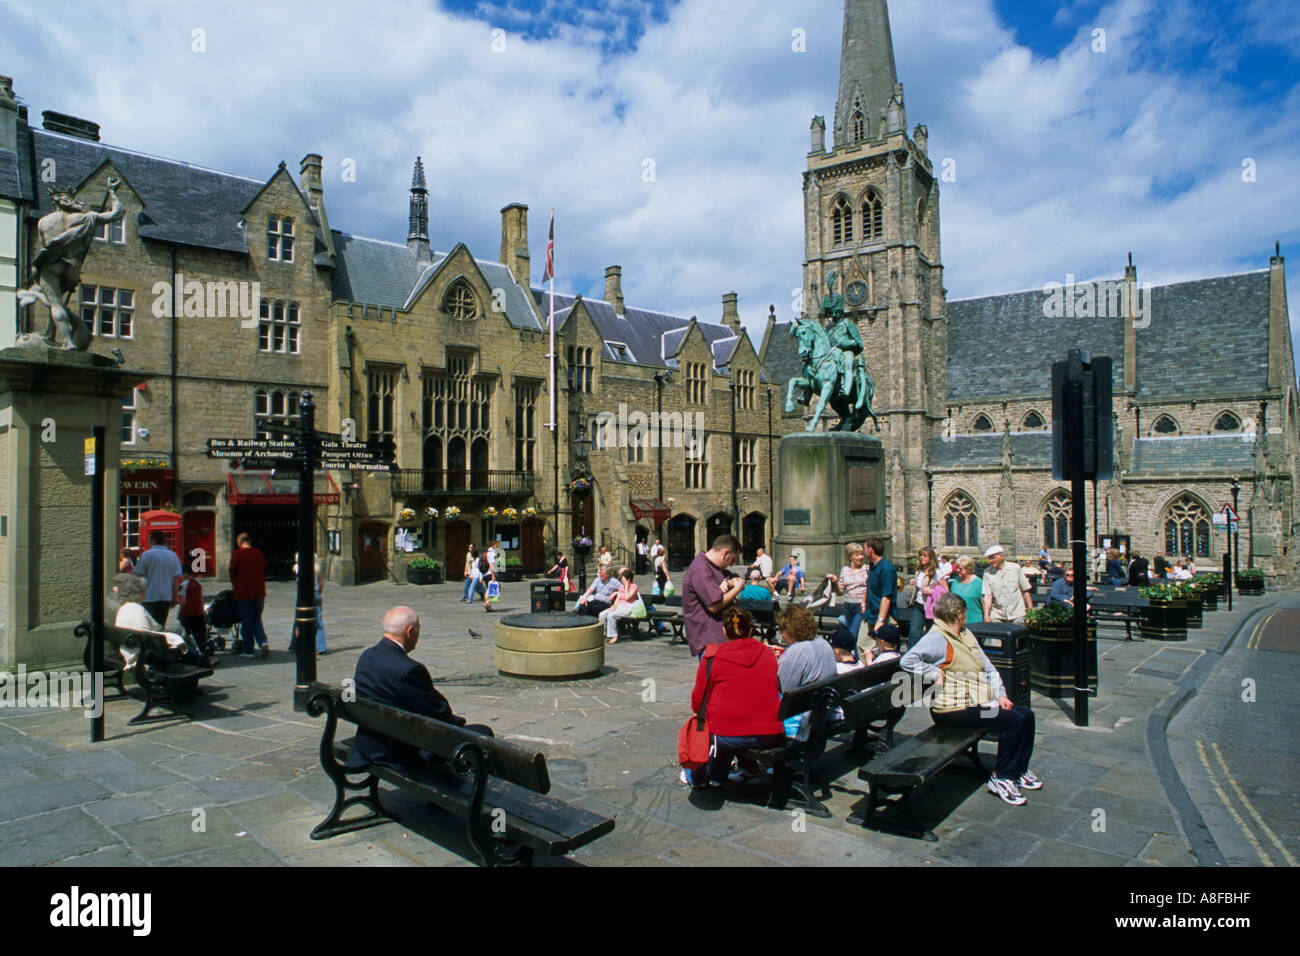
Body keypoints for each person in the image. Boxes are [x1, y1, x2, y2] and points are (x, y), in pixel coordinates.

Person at [901, 593, 1040, 806]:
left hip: (973, 704)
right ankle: (1002, 777)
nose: (965, 617)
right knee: (1013, 720)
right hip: (953, 711)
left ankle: (1018, 769)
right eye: (964, 613)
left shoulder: (965, 634)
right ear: (958, 614)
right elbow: (907, 660)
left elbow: (987, 667)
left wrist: (1000, 694)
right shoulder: (937, 637)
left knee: (1025, 714)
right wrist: (933, 672)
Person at [346, 606, 494, 772]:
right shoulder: (409, 670)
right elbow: (440, 713)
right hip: (398, 752)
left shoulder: (367, 656)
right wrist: (459, 723)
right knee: (483, 732)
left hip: (370, 743)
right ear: (410, 632)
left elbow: (351, 695)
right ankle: (468, 791)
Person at [681, 607, 784, 789]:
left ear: (724, 631)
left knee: (710, 728)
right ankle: (732, 773)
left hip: (728, 733)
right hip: (768, 732)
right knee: (734, 725)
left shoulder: (712, 657)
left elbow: (697, 703)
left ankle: (697, 776)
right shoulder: (767, 653)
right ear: (751, 631)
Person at [114, 575, 214, 670]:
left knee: (179, 631)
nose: (146, 592)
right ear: (138, 592)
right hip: (145, 650)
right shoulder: (137, 609)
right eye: (144, 590)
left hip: (133, 644)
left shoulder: (123, 608)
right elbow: (147, 633)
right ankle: (199, 661)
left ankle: (198, 658)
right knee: (180, 641)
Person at [681, 534, 745, 658]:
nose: (731, 564)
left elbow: (727, 577)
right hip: (710, 640)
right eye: (732, 560)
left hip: (721, 638)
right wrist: (736, 589)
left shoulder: (714, 567)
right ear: (725, 553)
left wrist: (729, 582)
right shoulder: (701, 568)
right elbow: (714, 605)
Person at [774, 604, 837, 693]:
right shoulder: (823, 643)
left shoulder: (795, 652)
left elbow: (783, 690)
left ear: (791, 630)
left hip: (801, 704)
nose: (779, 632)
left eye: (781, 628)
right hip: (823, 698)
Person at [855, 537, 898, 661]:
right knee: (861, 645)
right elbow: (870, 586)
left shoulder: (886, 569)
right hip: (869, 614)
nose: (863, 551)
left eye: (865, 548)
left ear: (871, 549)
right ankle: (866, 672)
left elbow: (886, 597)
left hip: (882, 615)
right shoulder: (872, 566)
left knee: (884, 648)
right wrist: (864, 601)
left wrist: (881, 620)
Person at [229, 532, 269, 658]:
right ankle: (263, 642)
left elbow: (232, 572)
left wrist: (234, 585)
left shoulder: (237, 554)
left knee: (246, 622)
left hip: (244, 592)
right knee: (257, 619)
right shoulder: (258, 553)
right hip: (259, 592)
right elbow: (263, 567)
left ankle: (249, 650)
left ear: (240, 542)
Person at [133, 531, 183, 628]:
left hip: (148, 597)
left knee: (148, 626)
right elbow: (175, 579)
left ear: (154, 540)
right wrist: (175, 597)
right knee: (160, 626)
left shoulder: (146, 555)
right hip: (165, 597)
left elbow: (137, 576)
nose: (147, 542)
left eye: (149, 540)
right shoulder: (173, 556)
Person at [981, 544, 1033, 623]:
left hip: (1017, 614)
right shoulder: (987, 573)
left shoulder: (1016, 568)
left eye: (993, 558)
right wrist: (986, 616)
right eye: (989, 558)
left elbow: (1025, 591)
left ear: (1002, 556)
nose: (991, 561)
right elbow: (987, 596)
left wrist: (1031, 611)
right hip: (997, 615)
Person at [177, 566, 219, 664]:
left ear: (186, 573)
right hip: (198, 614)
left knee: (186, 636)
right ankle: (205, 653)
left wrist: (179, 614)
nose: (180, 576)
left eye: (181, 574)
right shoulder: (199, 584)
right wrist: (203, 612)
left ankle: (189, 655)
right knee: (200, 636)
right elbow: (201, 600)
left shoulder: (183, 585)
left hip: (186, 614)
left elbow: (183, 601)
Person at [828, 542, 869, 640]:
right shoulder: (845, 570)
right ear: (850, 557)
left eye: (861, 554)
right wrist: (835, 582)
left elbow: (870, 587)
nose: (860, 557)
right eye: (857, 555)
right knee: (852, 633)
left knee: (852, 634)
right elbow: (840, 592)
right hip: (848, 606)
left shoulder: (866, 569)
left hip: (860, 606)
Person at [288, 553, 327, 654]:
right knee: (318, 622)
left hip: (304, 595)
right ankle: (321, 647)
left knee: (298, 620)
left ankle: (295, 644)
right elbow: (321, 583)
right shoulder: (317, 568)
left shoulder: (299, 566)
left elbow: (294, 570)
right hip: (316, 594)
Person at [599, 567, 645, 644]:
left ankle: (614, 636)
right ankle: (604, 633)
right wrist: (613, 607)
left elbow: (627, 598)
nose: (621, 580)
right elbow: (618, 599)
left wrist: (627, 586)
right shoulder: (621, 587)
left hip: (628, 607)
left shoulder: (634, 587)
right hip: (619, 606)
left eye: (623, 578)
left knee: (611, 615)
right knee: (602, 614)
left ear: (628, 579)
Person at [911, 546, 947, 641]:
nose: (922, 557)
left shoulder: (936, 572)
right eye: (920, 555)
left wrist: (931, 591)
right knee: (914, 633)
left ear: (931, 558)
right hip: (918, 605)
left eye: (925, 556)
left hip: (930, 607)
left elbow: (945, 590)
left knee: (930, 634)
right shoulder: (919, 571)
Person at [948, 556, 984, 624]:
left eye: (960, 568)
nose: (957, 570)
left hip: (974, 622)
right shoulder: (955, 581)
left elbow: (985, 604)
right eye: (957, 567)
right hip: (956, 623)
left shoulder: (979, 583)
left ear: (968, 569)